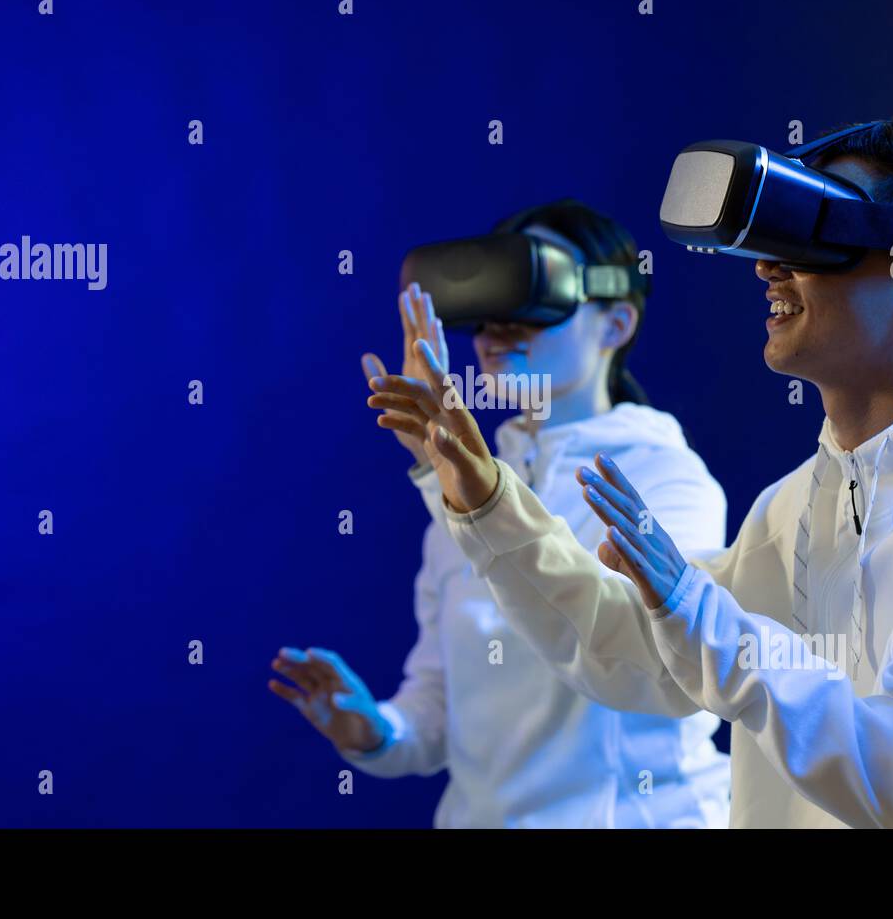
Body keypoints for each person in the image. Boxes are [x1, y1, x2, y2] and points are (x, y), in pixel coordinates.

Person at [367, 120, 893, 828]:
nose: (768, 267)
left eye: (813, 239)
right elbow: (632, 652)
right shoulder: (795, 506)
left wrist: (704, 616)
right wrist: (486, 501)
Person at [271, 200, 732, 828]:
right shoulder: (464, 488)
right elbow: (439, 707)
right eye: (485, 307)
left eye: (530, 294)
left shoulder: (666, 480)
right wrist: (376, 730)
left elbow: (664, 668)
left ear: (616, 323)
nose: (497, 326)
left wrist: (464, 492)